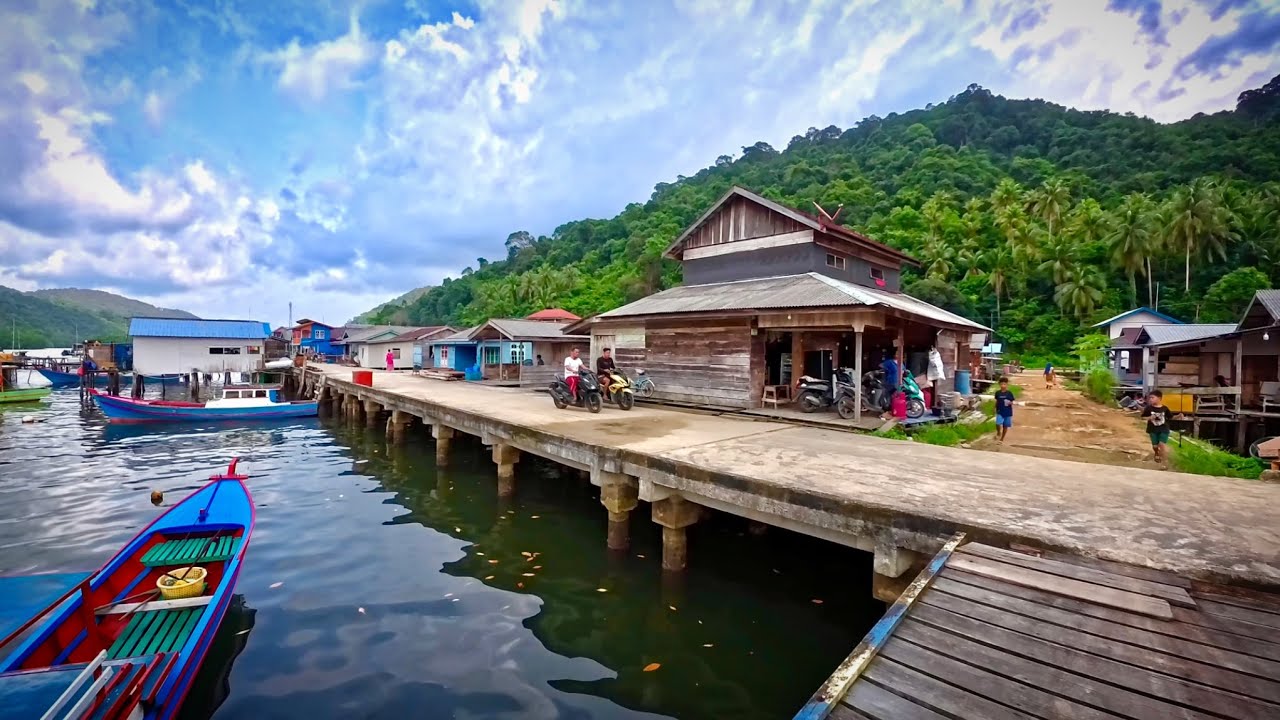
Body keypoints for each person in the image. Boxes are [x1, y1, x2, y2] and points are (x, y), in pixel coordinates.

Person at [1141, 390, 1174, 466]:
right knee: (1155, 446)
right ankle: (1156, 453)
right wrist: (1149, 417)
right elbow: (1143, 418)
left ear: (1159, 398)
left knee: (1162, 445)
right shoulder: (1148, 408)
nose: (1150, 399)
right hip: (1153, 429)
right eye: (1150, 398)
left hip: (1164, 428)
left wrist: (1179, 416)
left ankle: (1164, 463)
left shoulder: (1165, 408)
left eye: (1152, 397)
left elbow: (1170, 417)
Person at [994, 377, 1016, 444]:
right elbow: (997, 401)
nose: (1003, 386)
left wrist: (1010, 403)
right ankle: (998, 432)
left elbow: (1012, 402)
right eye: (1001, 384)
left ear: (1007, 385)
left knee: (1005, 426)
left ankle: (1002, 439)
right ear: (999, 385)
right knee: (998, 423)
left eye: (1004, 384)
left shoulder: (1009, 393)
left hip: (1007, 411)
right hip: (1000, 411)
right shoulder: (997, 393)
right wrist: (994, 408)